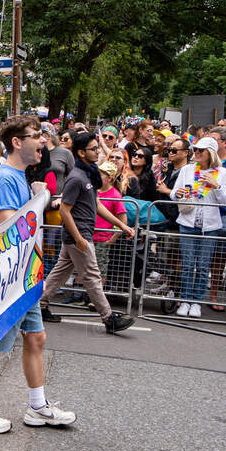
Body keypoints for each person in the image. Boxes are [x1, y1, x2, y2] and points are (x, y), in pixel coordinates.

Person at [0, 115, 76, 433]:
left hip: (25, 274)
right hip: (7, 278)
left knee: (36, 337)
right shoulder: (3, 178)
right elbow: (13, 227)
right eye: (36, 135)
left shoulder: (18, 176)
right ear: (16, 142)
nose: (43, 141)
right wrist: (41, 198)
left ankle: (38, 407)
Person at [39, 133, 137, 333]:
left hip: (80, 234)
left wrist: (122, 225)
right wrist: (78, 238)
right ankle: (109, 318)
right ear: (82, 153)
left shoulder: (88, 174)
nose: (98, 151)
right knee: (92, 275)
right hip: (78, 235)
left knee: (59, 272)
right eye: (94, 149)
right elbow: (64, 211)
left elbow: (97, 205)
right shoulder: (76, 177)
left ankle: (40, 305)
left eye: (97, 148)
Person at [169, 136, 226, 318]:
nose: (196, 153)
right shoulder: (187, 170)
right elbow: (173, 193)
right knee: (187, 265)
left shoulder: (222, 172)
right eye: (195, 150)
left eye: (200, 150)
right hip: (188, 222)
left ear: (210, 153)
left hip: (210, 226)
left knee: (203, 266)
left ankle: (197, 301)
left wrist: (215, 185)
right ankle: (185, 299)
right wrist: (177, 193)